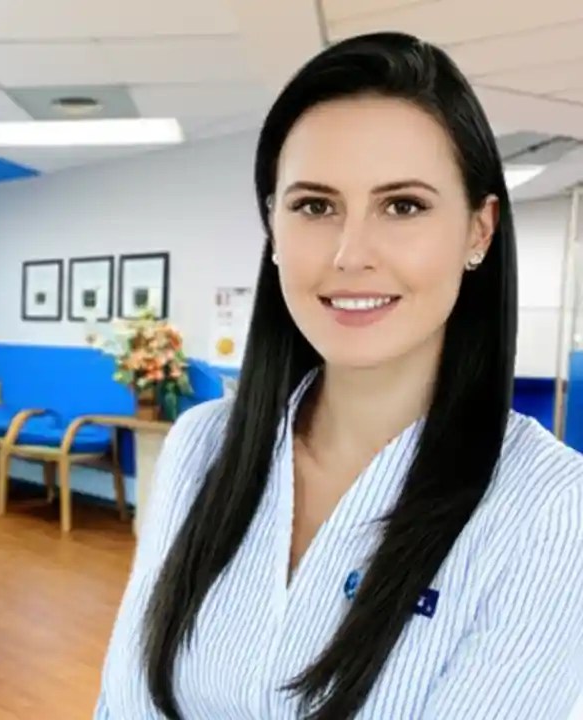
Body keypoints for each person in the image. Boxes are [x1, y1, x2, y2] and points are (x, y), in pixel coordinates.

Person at [95, 32, 583, 720]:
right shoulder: (201, 446)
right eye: (315, 206)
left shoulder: (550, 512)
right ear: (273, 224)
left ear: (480, 228)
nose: (352, 254)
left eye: (403, 205)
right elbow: (124, 703)